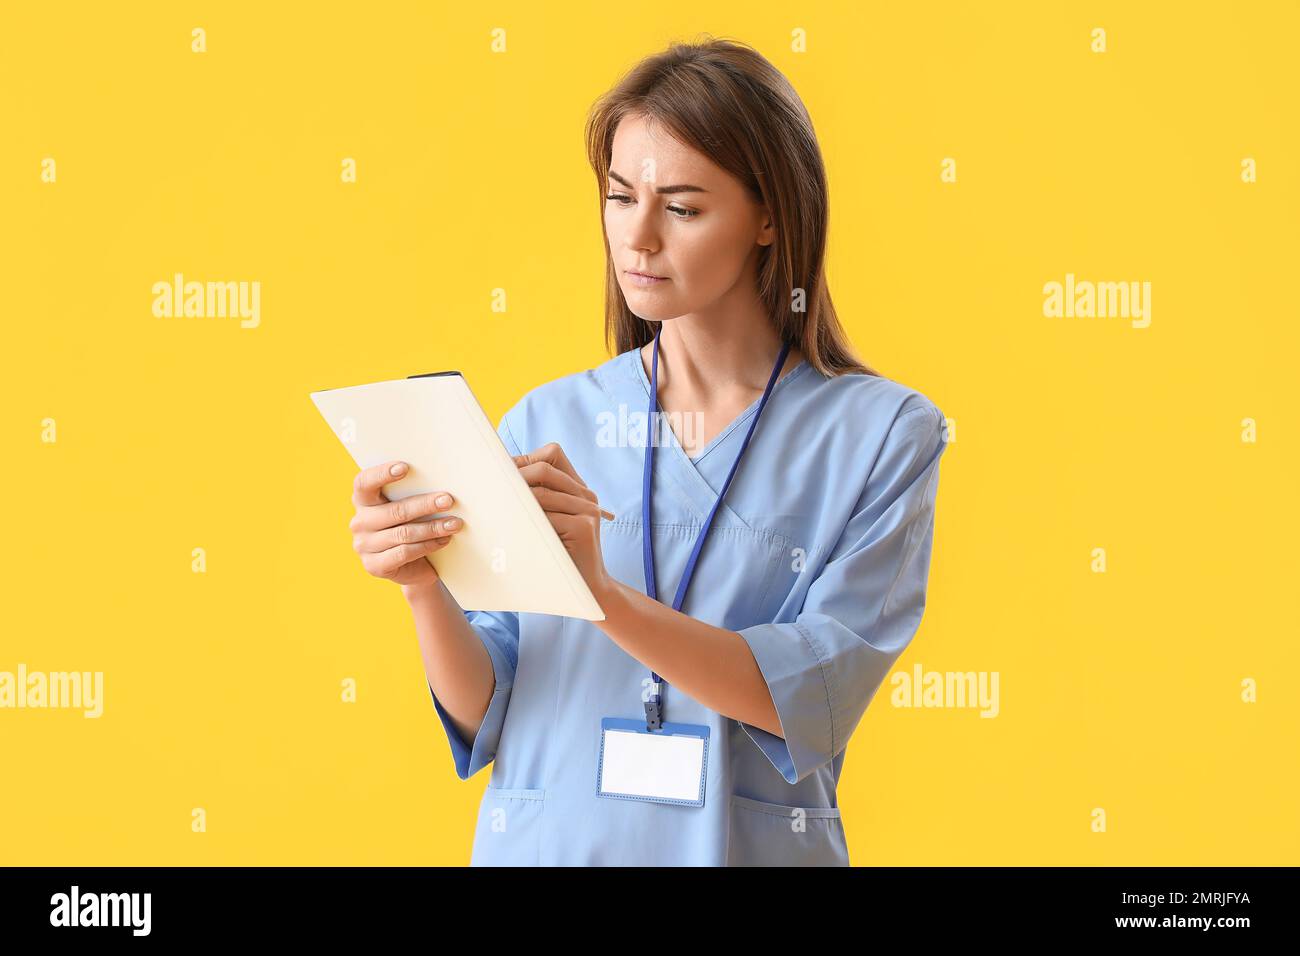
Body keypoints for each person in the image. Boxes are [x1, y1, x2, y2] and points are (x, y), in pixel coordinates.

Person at [347, 37, 949, 866]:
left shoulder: (883, 437)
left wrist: (600, 593)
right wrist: (422, 590)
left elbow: (808, 695)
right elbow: (487, 703)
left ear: (771, 217)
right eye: (621, 196)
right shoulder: (546, 420)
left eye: (684, 208)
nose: (637, 238)